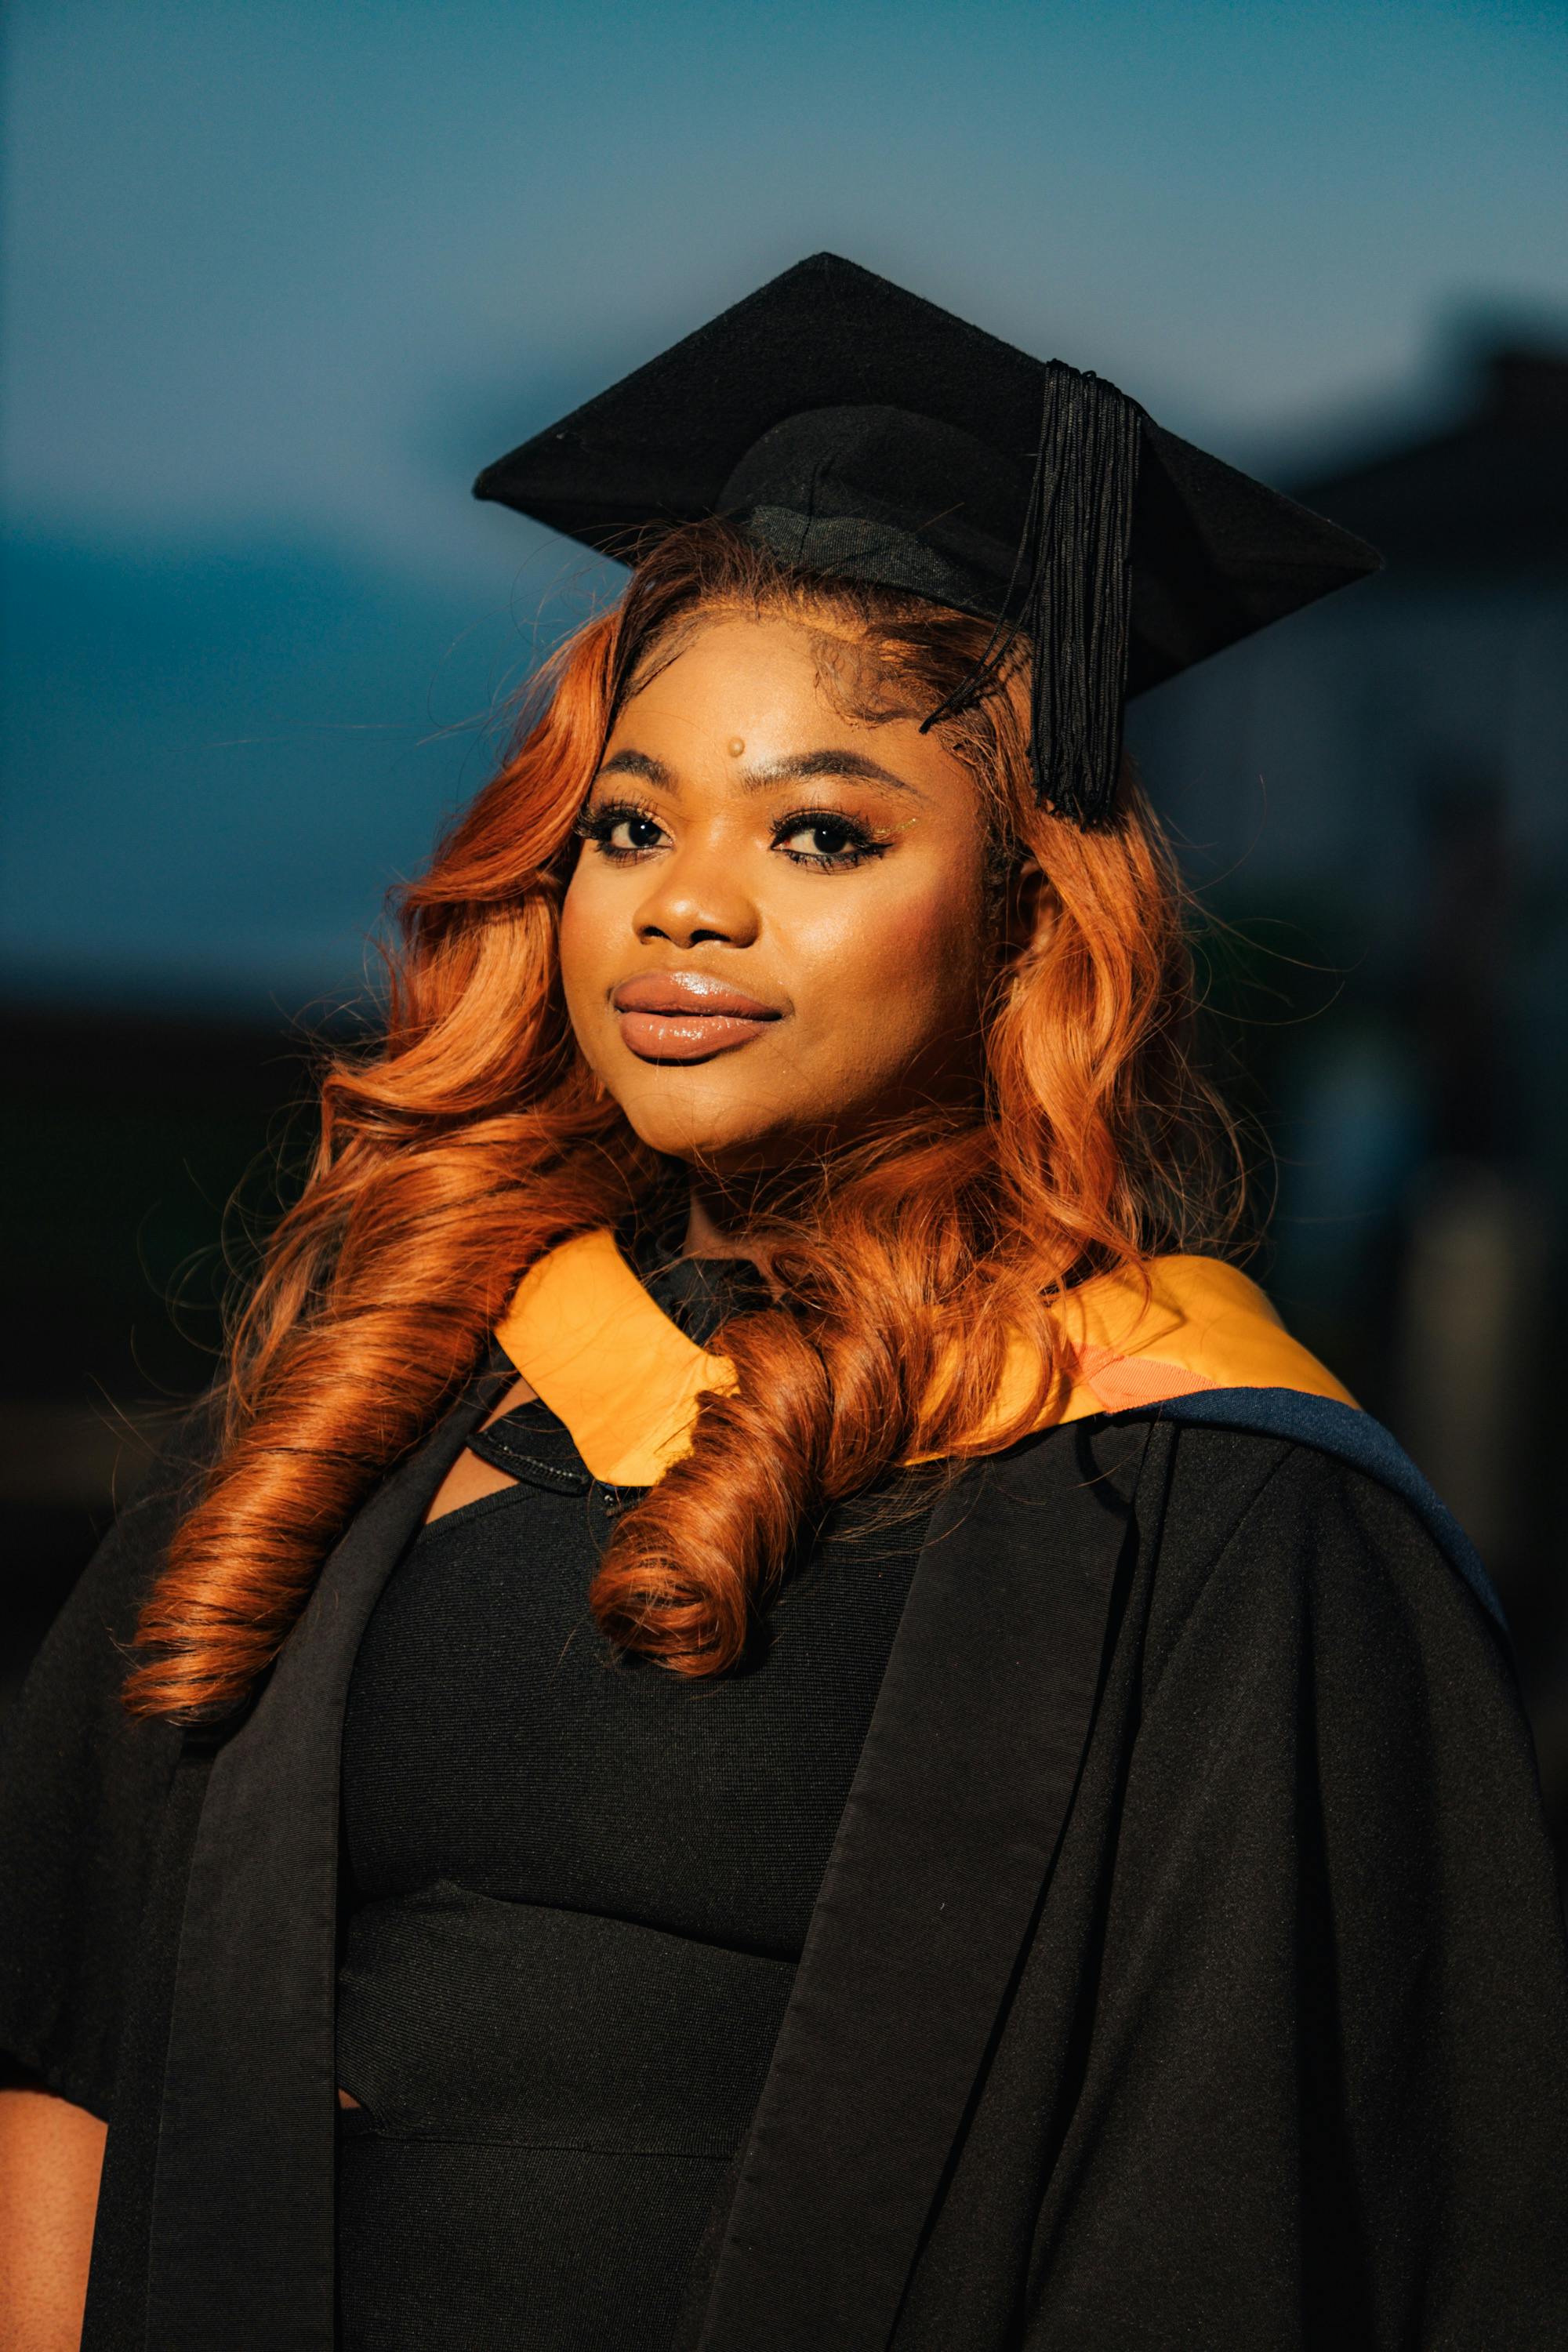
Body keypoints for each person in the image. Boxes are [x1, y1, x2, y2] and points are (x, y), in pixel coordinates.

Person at [2, 253, 1565, 2352]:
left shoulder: (1216, 1511)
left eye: (821, 832)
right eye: (627, 821)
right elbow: (64, 2068)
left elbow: (1263, 2221)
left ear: (1025, 908)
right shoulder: (371, 1406)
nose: (687, 901)